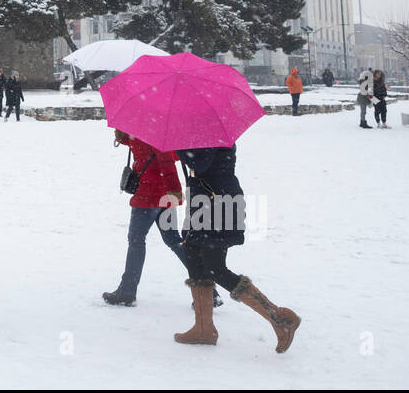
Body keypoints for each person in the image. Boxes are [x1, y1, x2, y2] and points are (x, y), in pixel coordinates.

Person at [173, 142, 301, 353]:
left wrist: (180, 147)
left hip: (219, 202)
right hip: (204, 200)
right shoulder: (198, 131)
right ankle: (204, 329)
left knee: (215, 267)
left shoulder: (212, 132)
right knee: (193, 257)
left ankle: (279, 319)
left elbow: (201, 163)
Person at [103, 131, 222, 308]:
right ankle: (208, 291)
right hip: (163, 196)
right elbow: (143, 148)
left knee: (136, 241)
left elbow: (166, 160)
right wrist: (124, 137)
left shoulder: (152, 132)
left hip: (149, 196)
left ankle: (127, 292)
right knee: (174, 240)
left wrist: (174, 190)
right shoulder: (154, 130)